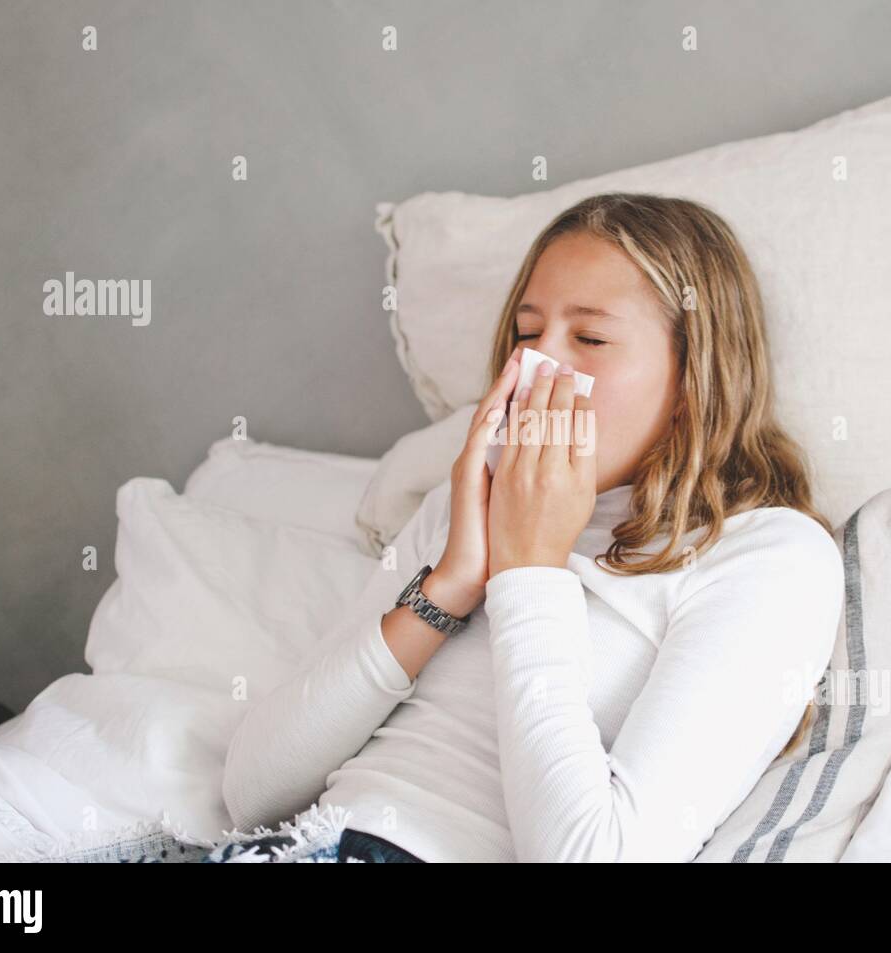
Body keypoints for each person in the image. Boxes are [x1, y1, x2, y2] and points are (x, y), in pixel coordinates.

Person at [221, 192, 845, 863]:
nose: (534, 368)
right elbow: (253, 792)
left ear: (694, 377)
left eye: (590, 338)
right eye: (526, 333)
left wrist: (530, 570)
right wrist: (452, 585)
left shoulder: (770, 557)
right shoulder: (461, 507)